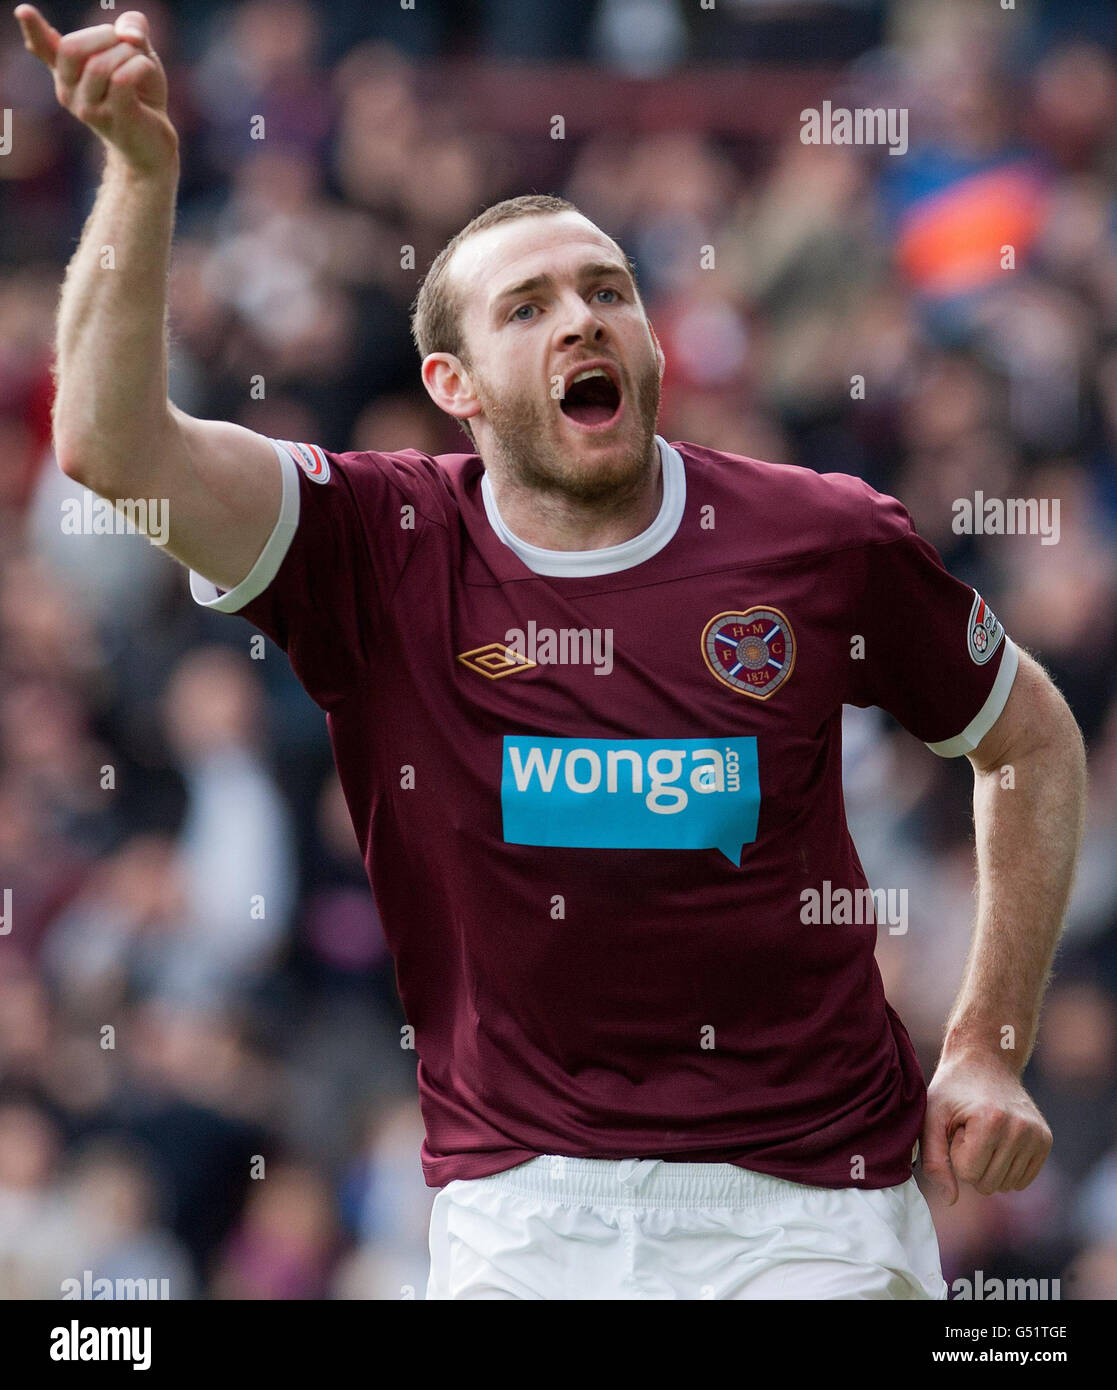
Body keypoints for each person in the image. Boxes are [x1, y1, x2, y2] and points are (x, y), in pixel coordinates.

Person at [17, 4, 1087, 1300]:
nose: (582, 319)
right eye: (526, 307)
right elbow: (110, 446)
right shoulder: (376, 538)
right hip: (518, 1213)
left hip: (815, 1207)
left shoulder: (820, 536)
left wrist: (986, 1039)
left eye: (607, 291)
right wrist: (138, 177)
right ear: (452, 384)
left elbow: (1024, 736)